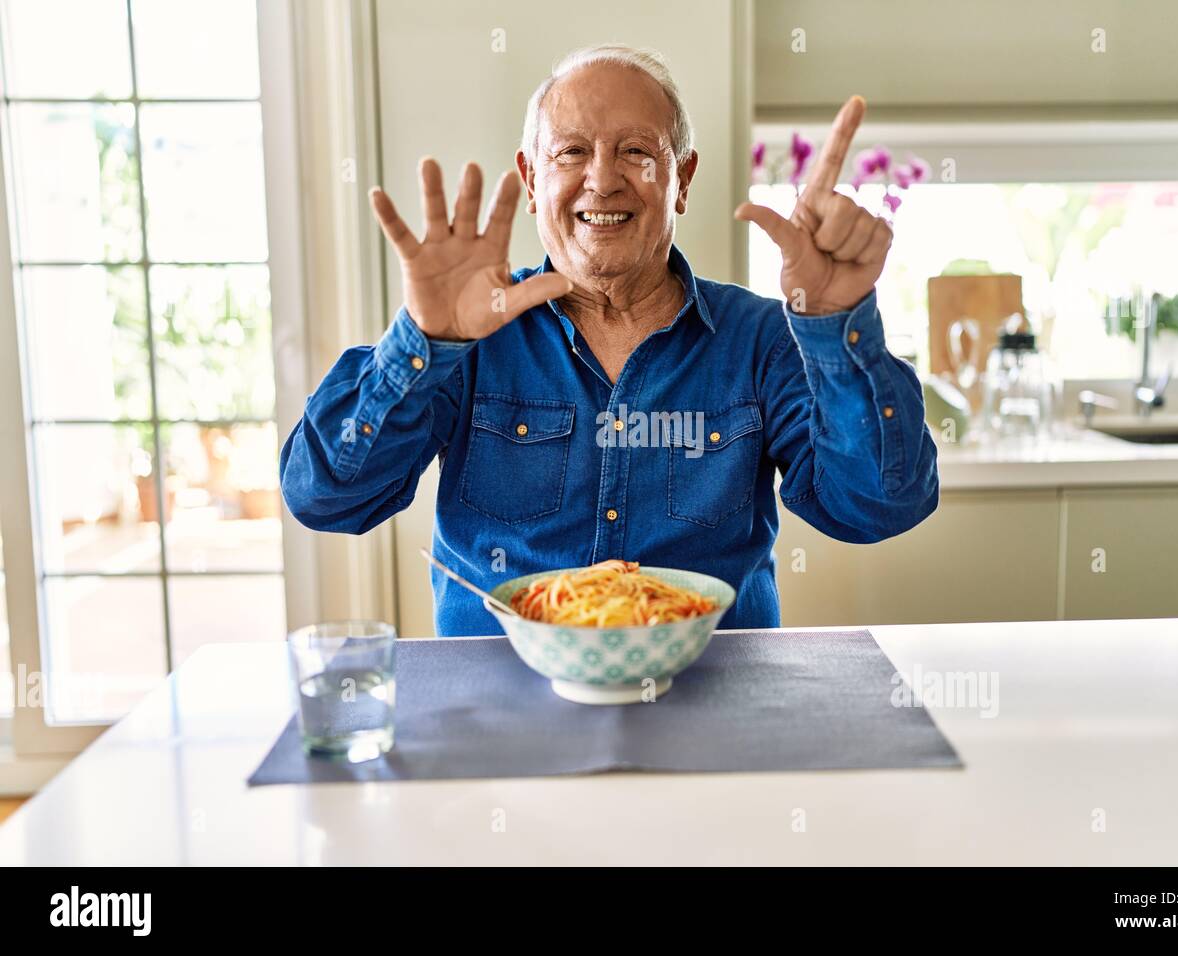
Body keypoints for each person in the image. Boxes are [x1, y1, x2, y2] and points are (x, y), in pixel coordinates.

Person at [280, 44, 938, 636]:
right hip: (504, 719)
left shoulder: (763, 338)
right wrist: (423, 342)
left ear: (682, 179)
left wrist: (837, 325)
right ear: (532, 179)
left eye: (636, 152)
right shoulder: (468, 332)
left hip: (716, 713)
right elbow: (326, 496)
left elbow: (879, 506)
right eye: (570, 151)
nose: (602, 180)